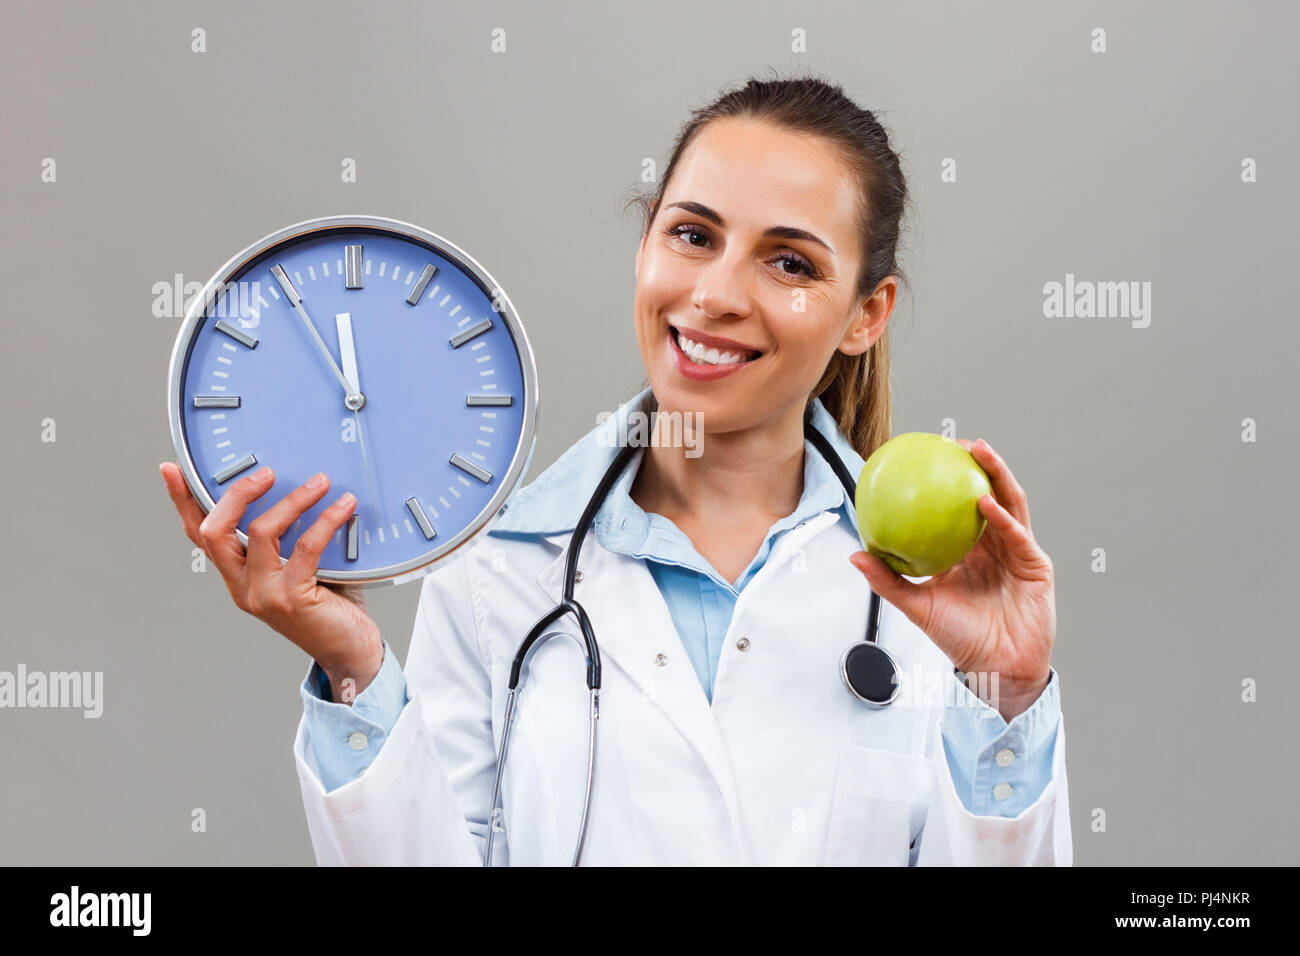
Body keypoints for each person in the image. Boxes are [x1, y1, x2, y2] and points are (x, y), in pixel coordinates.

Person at [160, 73, 1069, 866]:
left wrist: (1007, 692)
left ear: (867, 313)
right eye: (692, 235)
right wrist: (351, 662)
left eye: (788, 261)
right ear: (646, 247)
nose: (714, 296)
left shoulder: (934, 600)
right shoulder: (495, 573)